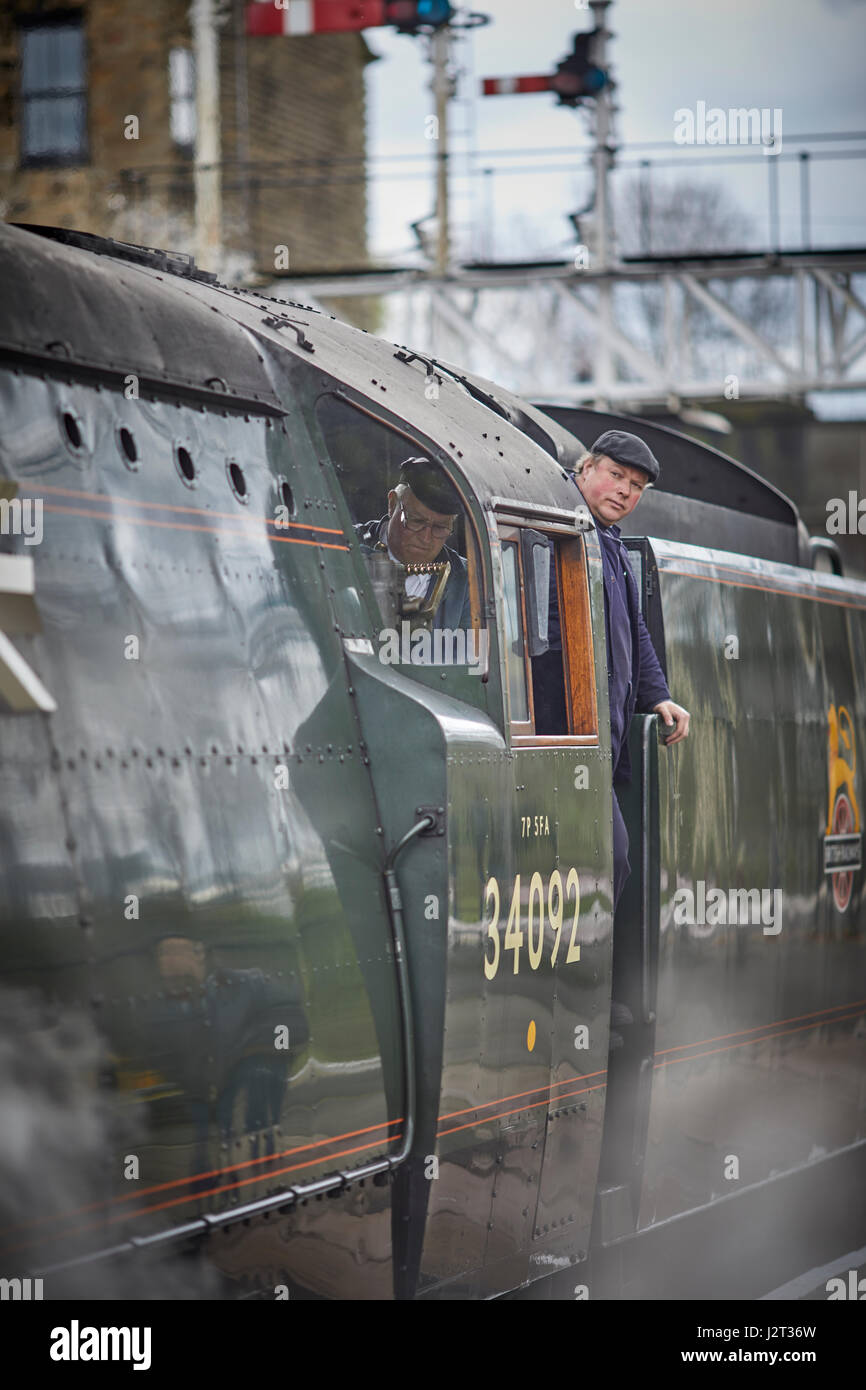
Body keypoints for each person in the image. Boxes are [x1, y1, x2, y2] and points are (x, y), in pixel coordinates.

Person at [571, 430, 690, 911]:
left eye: (636, 486)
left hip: (603, 744)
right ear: (586, 469)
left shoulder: (612, 549)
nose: (625, 490)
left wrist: (657, 694)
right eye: (616, 475)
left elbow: (634, 631)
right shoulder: (568, 535)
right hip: (567, 743)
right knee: (611, 858)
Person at [355, 456, 472, 630]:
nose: (425, 538)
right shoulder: (345, 550)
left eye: (440, 527)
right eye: (416, 521)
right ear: (392, 503)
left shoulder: (467, 581)